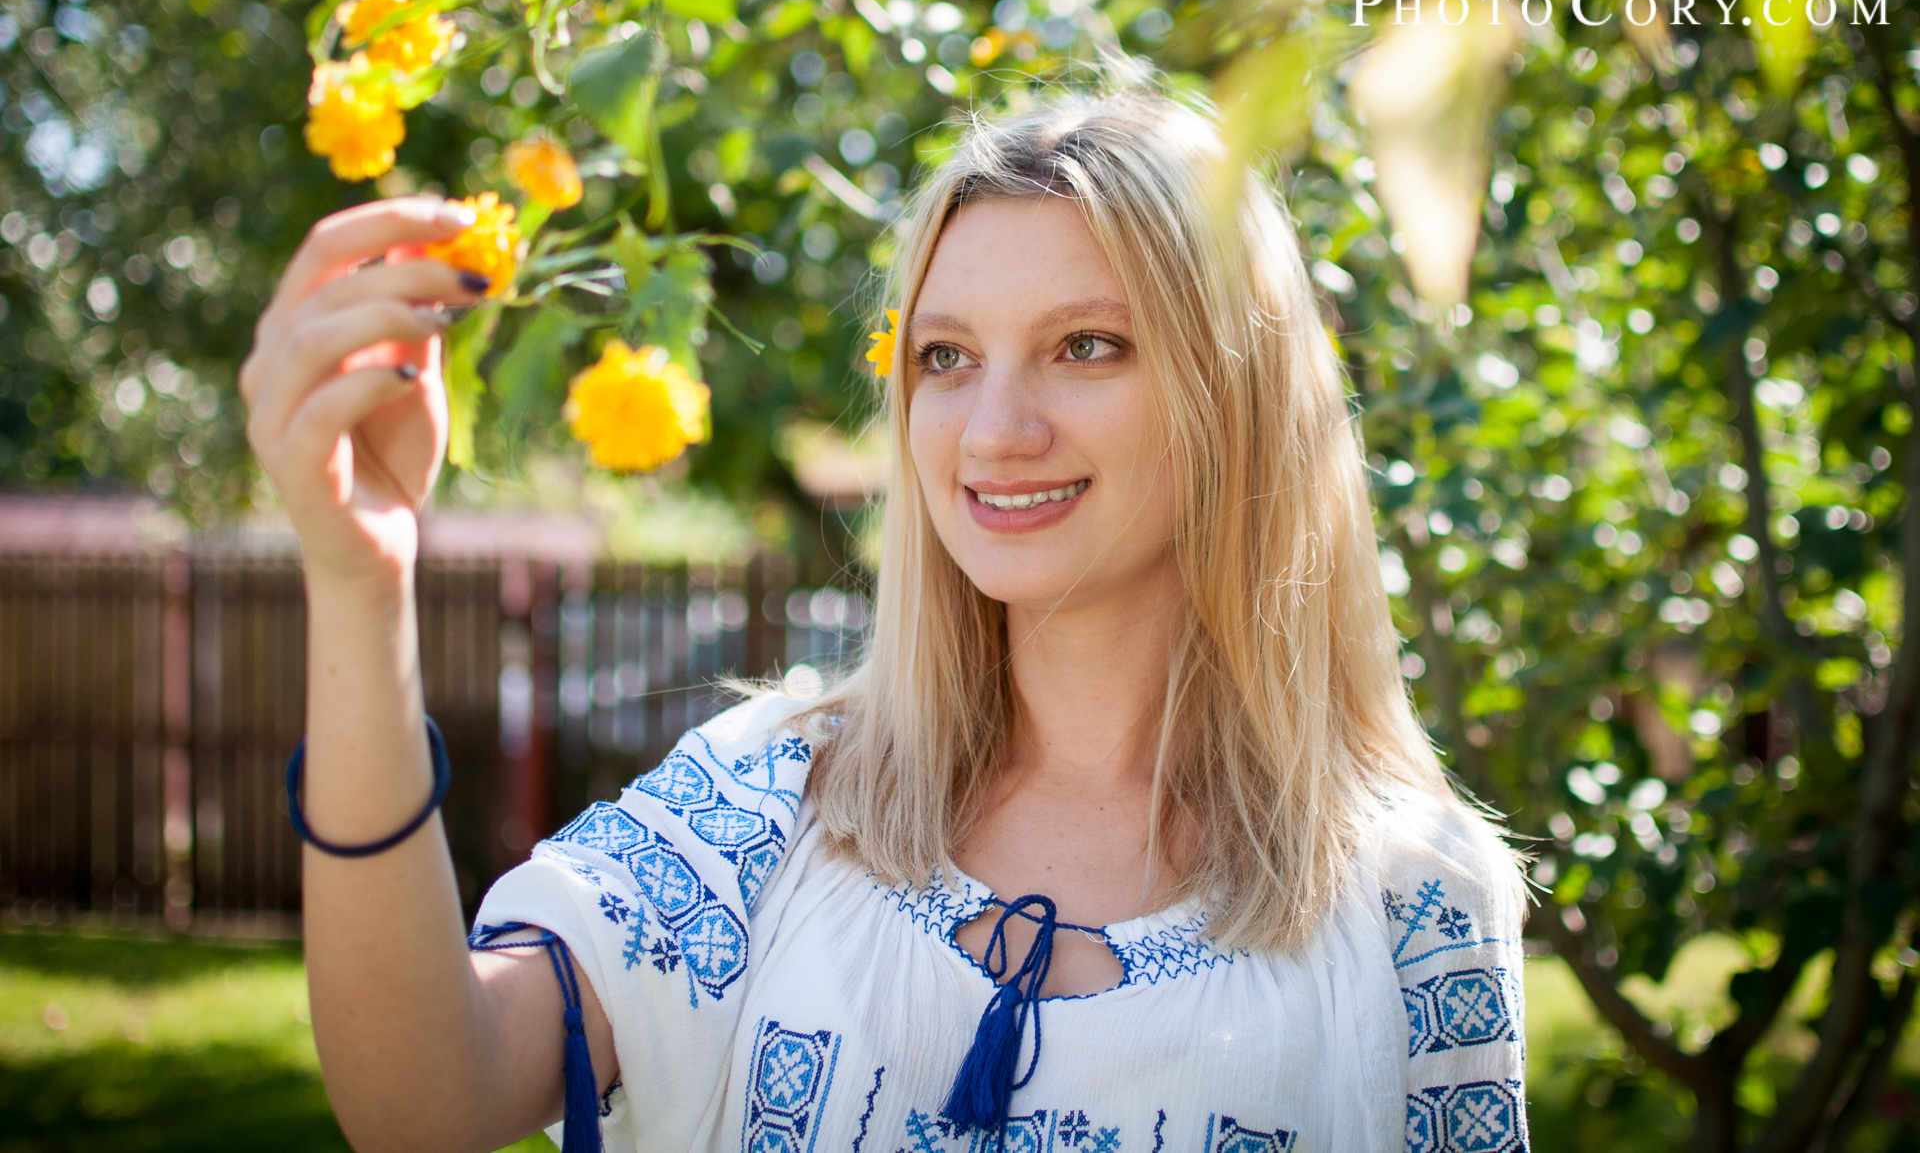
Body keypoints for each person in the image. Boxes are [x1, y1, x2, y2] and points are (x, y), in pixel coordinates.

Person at [242, 90, 1530, 1153]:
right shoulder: (775, 801)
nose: (992, 430)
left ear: (1236, 391)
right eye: (945, 356)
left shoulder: (1414, 893)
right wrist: (364, 582)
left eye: (1087, 346)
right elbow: (425, 1109)